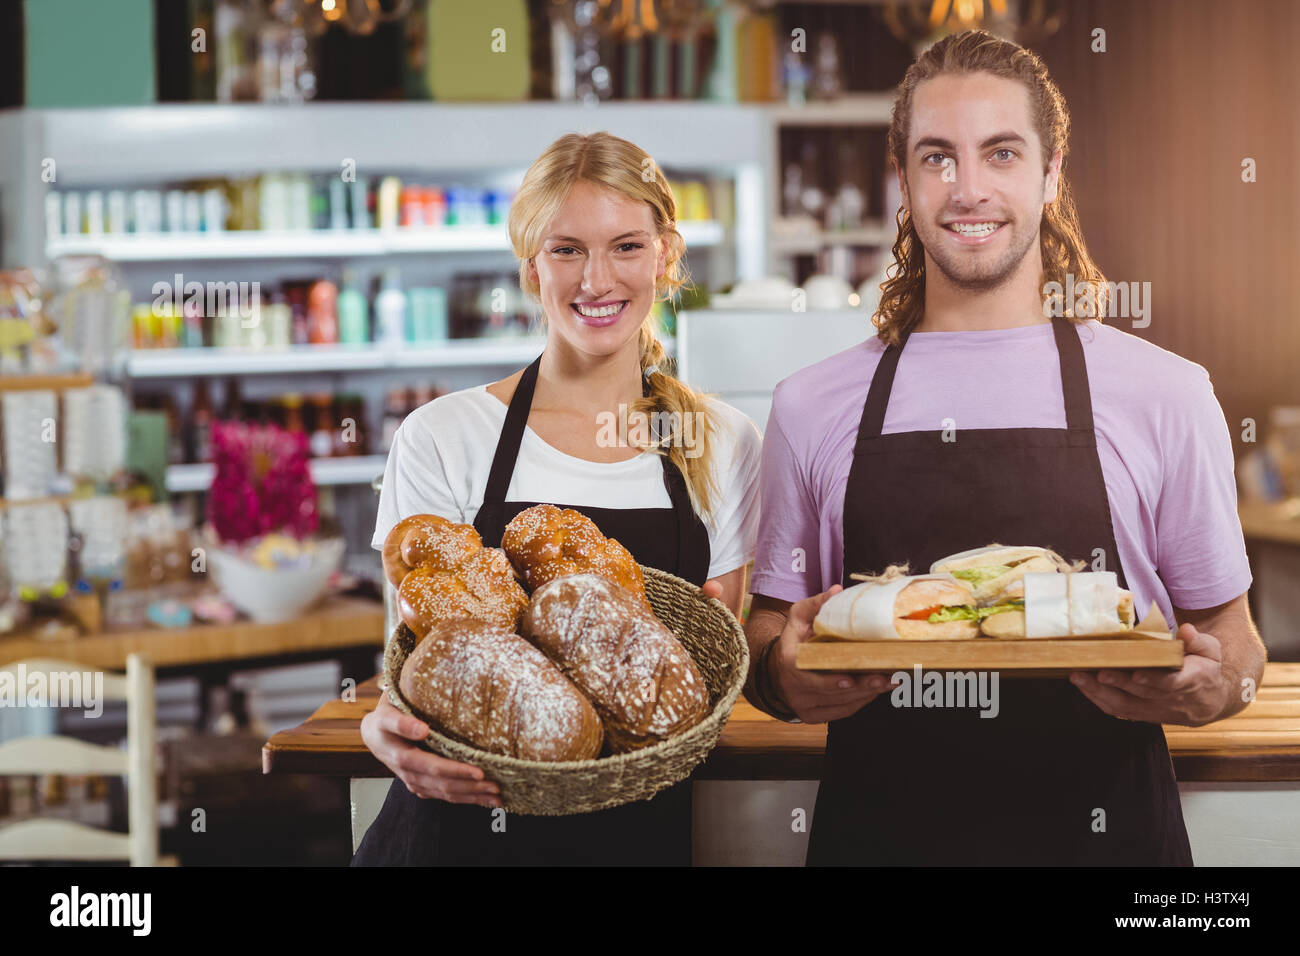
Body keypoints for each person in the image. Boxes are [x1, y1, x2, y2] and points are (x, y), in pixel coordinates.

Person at [743, 30, 1266, 866]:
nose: (969, 188)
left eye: (1002, 153)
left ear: (1052, 173)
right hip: (882, 843)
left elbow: (1237, 648)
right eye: (938, 157)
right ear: (903, 181)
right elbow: (766, 641)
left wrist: (1215, 691)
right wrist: (781, 679)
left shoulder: (1166, 392)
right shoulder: (809, 405)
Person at [352, 131, 762, 866]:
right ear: (530, 267)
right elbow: (413, 656)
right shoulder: (446, 435)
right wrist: (380, 723)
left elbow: (711, 675)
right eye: (567, 249)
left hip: (636, 836)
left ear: (666, 255)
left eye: (627, 247)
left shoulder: (722, 444)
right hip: (456, 836)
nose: (597, 281)